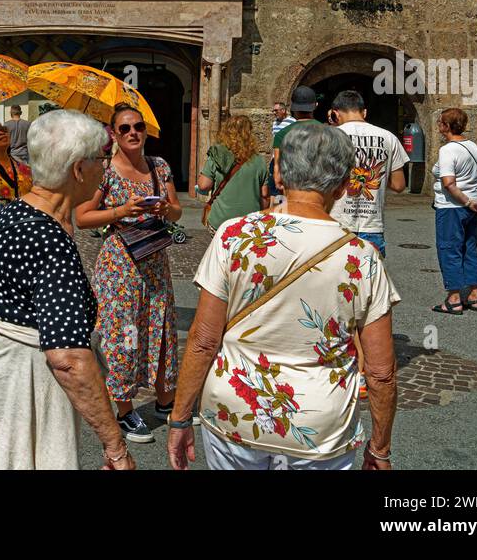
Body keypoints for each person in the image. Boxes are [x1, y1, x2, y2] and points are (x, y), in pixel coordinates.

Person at [168, 122, 399, 472]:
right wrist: (380, 449)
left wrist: (180, 417)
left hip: (236, 414)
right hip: (320, 427)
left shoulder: (233, 236)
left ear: (278, 174)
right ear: (342, 187)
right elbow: (381, 372)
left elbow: (203, 340)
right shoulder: (361, 257)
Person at [0, 109, 134, 471]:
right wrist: (116, 447)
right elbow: (69, 359)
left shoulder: (13, 212)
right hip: (14, 394)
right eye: (101, 159)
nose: (106, 168)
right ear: (78, 169)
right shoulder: (47, 239)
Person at [75, 102, 182, 443]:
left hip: (155, 260)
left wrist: (165, 209)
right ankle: (124, 410)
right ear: (114, 134)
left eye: (138, 126)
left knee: (161, 329)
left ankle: (165, 401)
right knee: (124, 333)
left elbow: (177, 211)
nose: (133, 132)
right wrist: (120, 211)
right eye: (125, 128)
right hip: (120, 265)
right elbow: (82, 217)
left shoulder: (159, 166)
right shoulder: (105, 171)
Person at [328, 90, 408, 257]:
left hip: (338, 223)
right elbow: (399, 185)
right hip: (372, 225)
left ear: (336, 113)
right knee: (370, 272)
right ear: (364, 112)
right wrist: (376, 176)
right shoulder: (388, 137)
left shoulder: (329, 137)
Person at [432, 107, 477, 315]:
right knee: (469, 247)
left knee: (449, 249)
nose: (438, 125)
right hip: (473, 207)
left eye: (440, 122)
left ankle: (454, 297)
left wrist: (468, 203)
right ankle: (474, 294)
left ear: (446, 126)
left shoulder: (448, 150)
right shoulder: (475, 147)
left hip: (452, 207)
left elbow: (449, 183)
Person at [196, 115, 270, 233]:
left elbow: (204, 185)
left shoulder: (217, 154)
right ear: (249, 133)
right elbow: (265, 195)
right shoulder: (259, 160)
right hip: (249, 224)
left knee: (220, 244)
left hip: (221, 221)